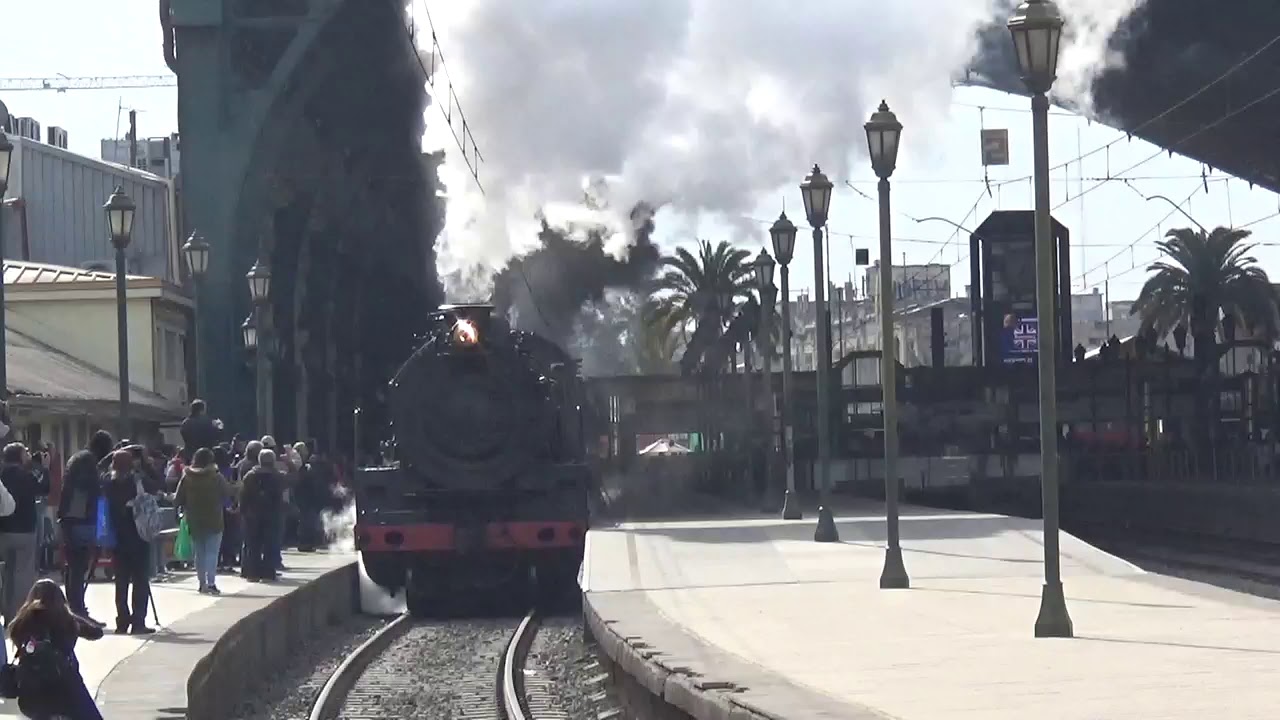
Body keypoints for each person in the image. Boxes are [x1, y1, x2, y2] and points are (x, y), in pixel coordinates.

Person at [7, 579, 104, 719]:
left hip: (32, 694)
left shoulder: (21, 622)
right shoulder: (68, 620)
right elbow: (96, 633)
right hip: (67, 690)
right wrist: (72, 616)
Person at [57, 431, 114, 627]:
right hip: (79, 519)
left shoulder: (80, 458)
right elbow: (91, 490)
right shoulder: (88, 462)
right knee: (78, 568)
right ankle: (78, 612)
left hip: (72, 518)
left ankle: (75, 610)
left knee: (74, 568)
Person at [103, 452, 155, 635]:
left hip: (117, 539)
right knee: (140, 580)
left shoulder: (108, 484)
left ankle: (122, 621)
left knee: (121, 581)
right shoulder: (138, 481)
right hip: (139, 537)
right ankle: (138, 621)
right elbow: (155, 488)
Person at [0, 443, 50, 626]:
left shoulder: (2, 475)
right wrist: (45, 468)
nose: (29, 455)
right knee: (22, 574)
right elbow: (43, 488)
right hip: (25, 531)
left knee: (7, 573)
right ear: (20, 457)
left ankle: (6, 613)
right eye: (26, 453)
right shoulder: (26, 476)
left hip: (3, 531)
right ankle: (18, 616)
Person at [174, 448, 234, 594]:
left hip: (194, 519)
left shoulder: (186, 477)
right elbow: (227, 492)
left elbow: (177, 499)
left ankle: (202, 584)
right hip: (214, 518)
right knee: (212, 552)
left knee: (199, 553)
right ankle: (211, 583)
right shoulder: (216, 476)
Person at [240, 449, 283, 582]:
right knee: (270, 543)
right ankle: (268, 573)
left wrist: (243, 511)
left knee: (253, 544)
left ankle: (253, 573)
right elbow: (280, 496)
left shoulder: (250, 475)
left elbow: (243, 496)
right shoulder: (277, 476)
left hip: (252, 515)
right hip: (271, 515)